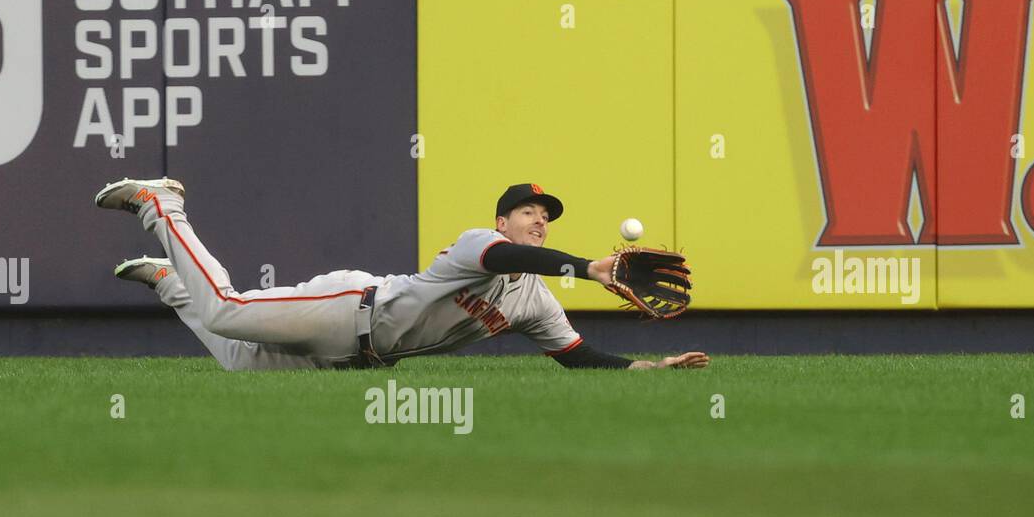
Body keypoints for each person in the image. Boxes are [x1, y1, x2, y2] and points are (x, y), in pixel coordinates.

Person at [95, 177, 711, 372]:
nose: (539, 221)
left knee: (235, 362)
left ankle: (168, 281)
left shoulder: (535, 305)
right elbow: (508, 259)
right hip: (347, 306)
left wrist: (650, 370)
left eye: (546, 215)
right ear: (502, 219)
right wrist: (587, 268)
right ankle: (162, 206)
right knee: (227, 309)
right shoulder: (480, 244)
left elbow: (576, 355)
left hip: (357, 358)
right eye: (529, 211)